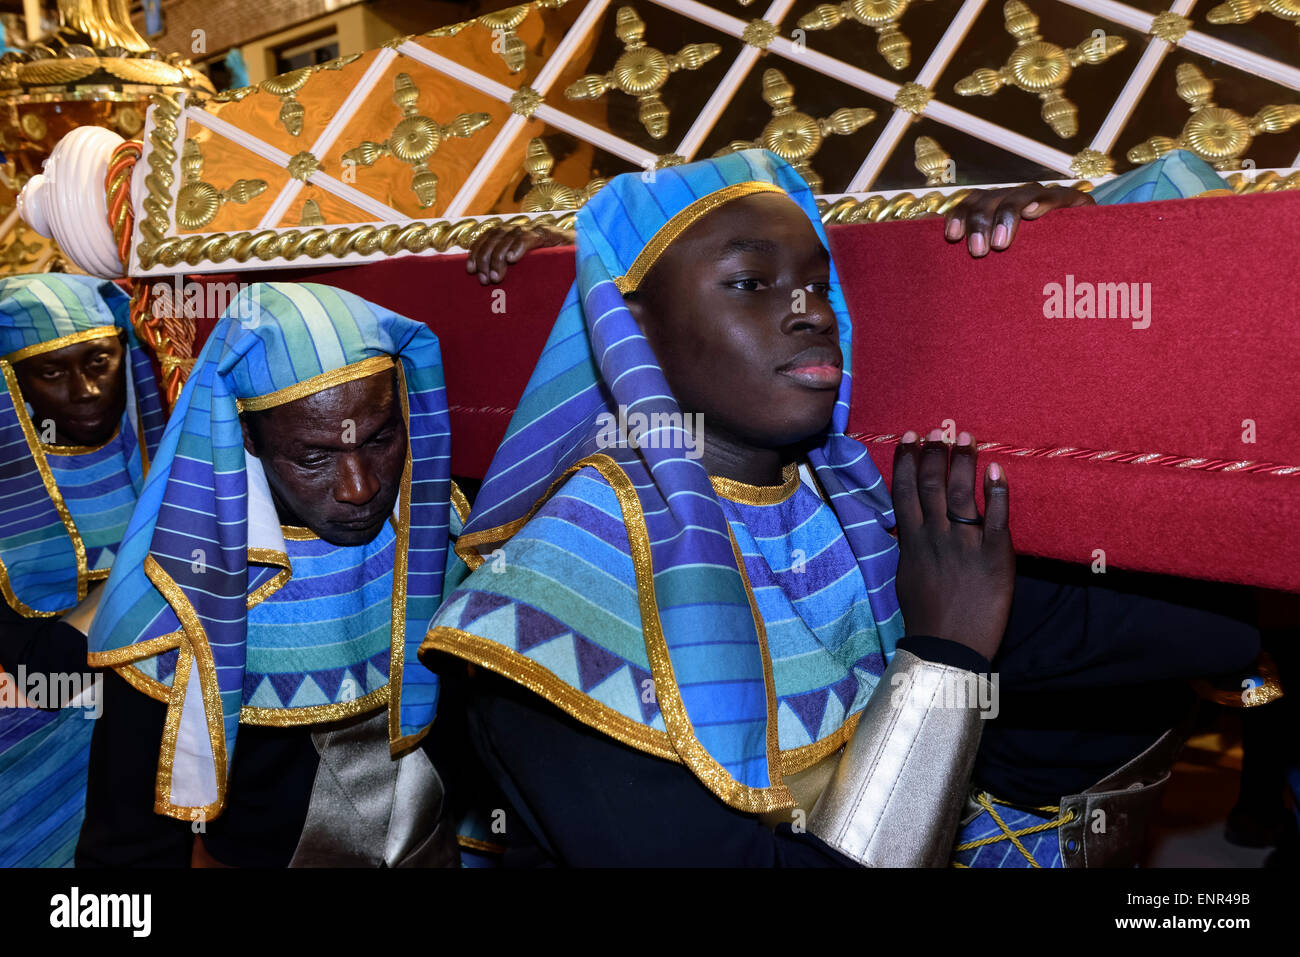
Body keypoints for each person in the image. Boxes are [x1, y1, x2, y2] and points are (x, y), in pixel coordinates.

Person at [428, 148, 1258, 867]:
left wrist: (1089, 247)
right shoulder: (550, 606)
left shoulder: (843, 506)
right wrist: (944, 659)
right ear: (629, 326)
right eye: (751, 282)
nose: (810, 310)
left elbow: (1191, 625)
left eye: (818, 281)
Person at [78, 282, 466, 867]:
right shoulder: (180, 599)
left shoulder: (450, 534)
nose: (359, 488)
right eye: (313, 456)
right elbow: (128, 848)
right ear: (247, 438)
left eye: (382, 438)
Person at [0, 274, 166, 868]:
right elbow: (44, 672)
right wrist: (149, 560)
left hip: (157, 771)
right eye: (50, 372)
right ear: (10, 384)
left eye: (100, 359)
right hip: (34, 767)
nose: (88, 390)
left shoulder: (161, 451)